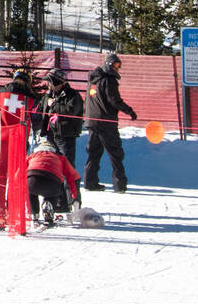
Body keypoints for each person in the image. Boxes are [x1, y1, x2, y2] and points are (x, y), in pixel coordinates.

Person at [0, 68, 35, 229]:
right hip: (20, 139)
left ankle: (0, 211)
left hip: (1, 138)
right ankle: (13, 209)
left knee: (0, 173)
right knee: (16, 174)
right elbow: (37, 118)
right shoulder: (30, 97)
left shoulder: (0, 92)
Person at [83, 52, 137, 193]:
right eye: (115, 65)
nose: (117, 69)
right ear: (108, 65)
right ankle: (120, 185)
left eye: (119, 66)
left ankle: (90, 182)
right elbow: (114, 100)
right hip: (106, 122)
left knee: (94, 153)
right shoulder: (108, 80)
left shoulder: (93, 80)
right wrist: (129, 111)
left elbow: (89, 99)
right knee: (116, 154)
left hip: (92, 121)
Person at [25, 135, 82, 227]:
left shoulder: (32, 156)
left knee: (30, 191)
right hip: (52, 181)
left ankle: (34, 213)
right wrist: (75, 198)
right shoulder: (60, 157)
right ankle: (49, 209)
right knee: (52, 194)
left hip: (33, 179)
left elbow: (19, 173)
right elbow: (73, 177)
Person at [40, 68, 85, 168]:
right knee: (52, 165)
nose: (48, 85)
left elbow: (70, 111)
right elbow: (39, 109)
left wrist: (53, 105)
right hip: (50, 134)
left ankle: (70, 184)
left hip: (65, 136)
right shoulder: (48, 94)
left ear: (56, 83)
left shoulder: (73, 95)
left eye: (50, 82)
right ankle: (56, 184)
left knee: (67, 166)